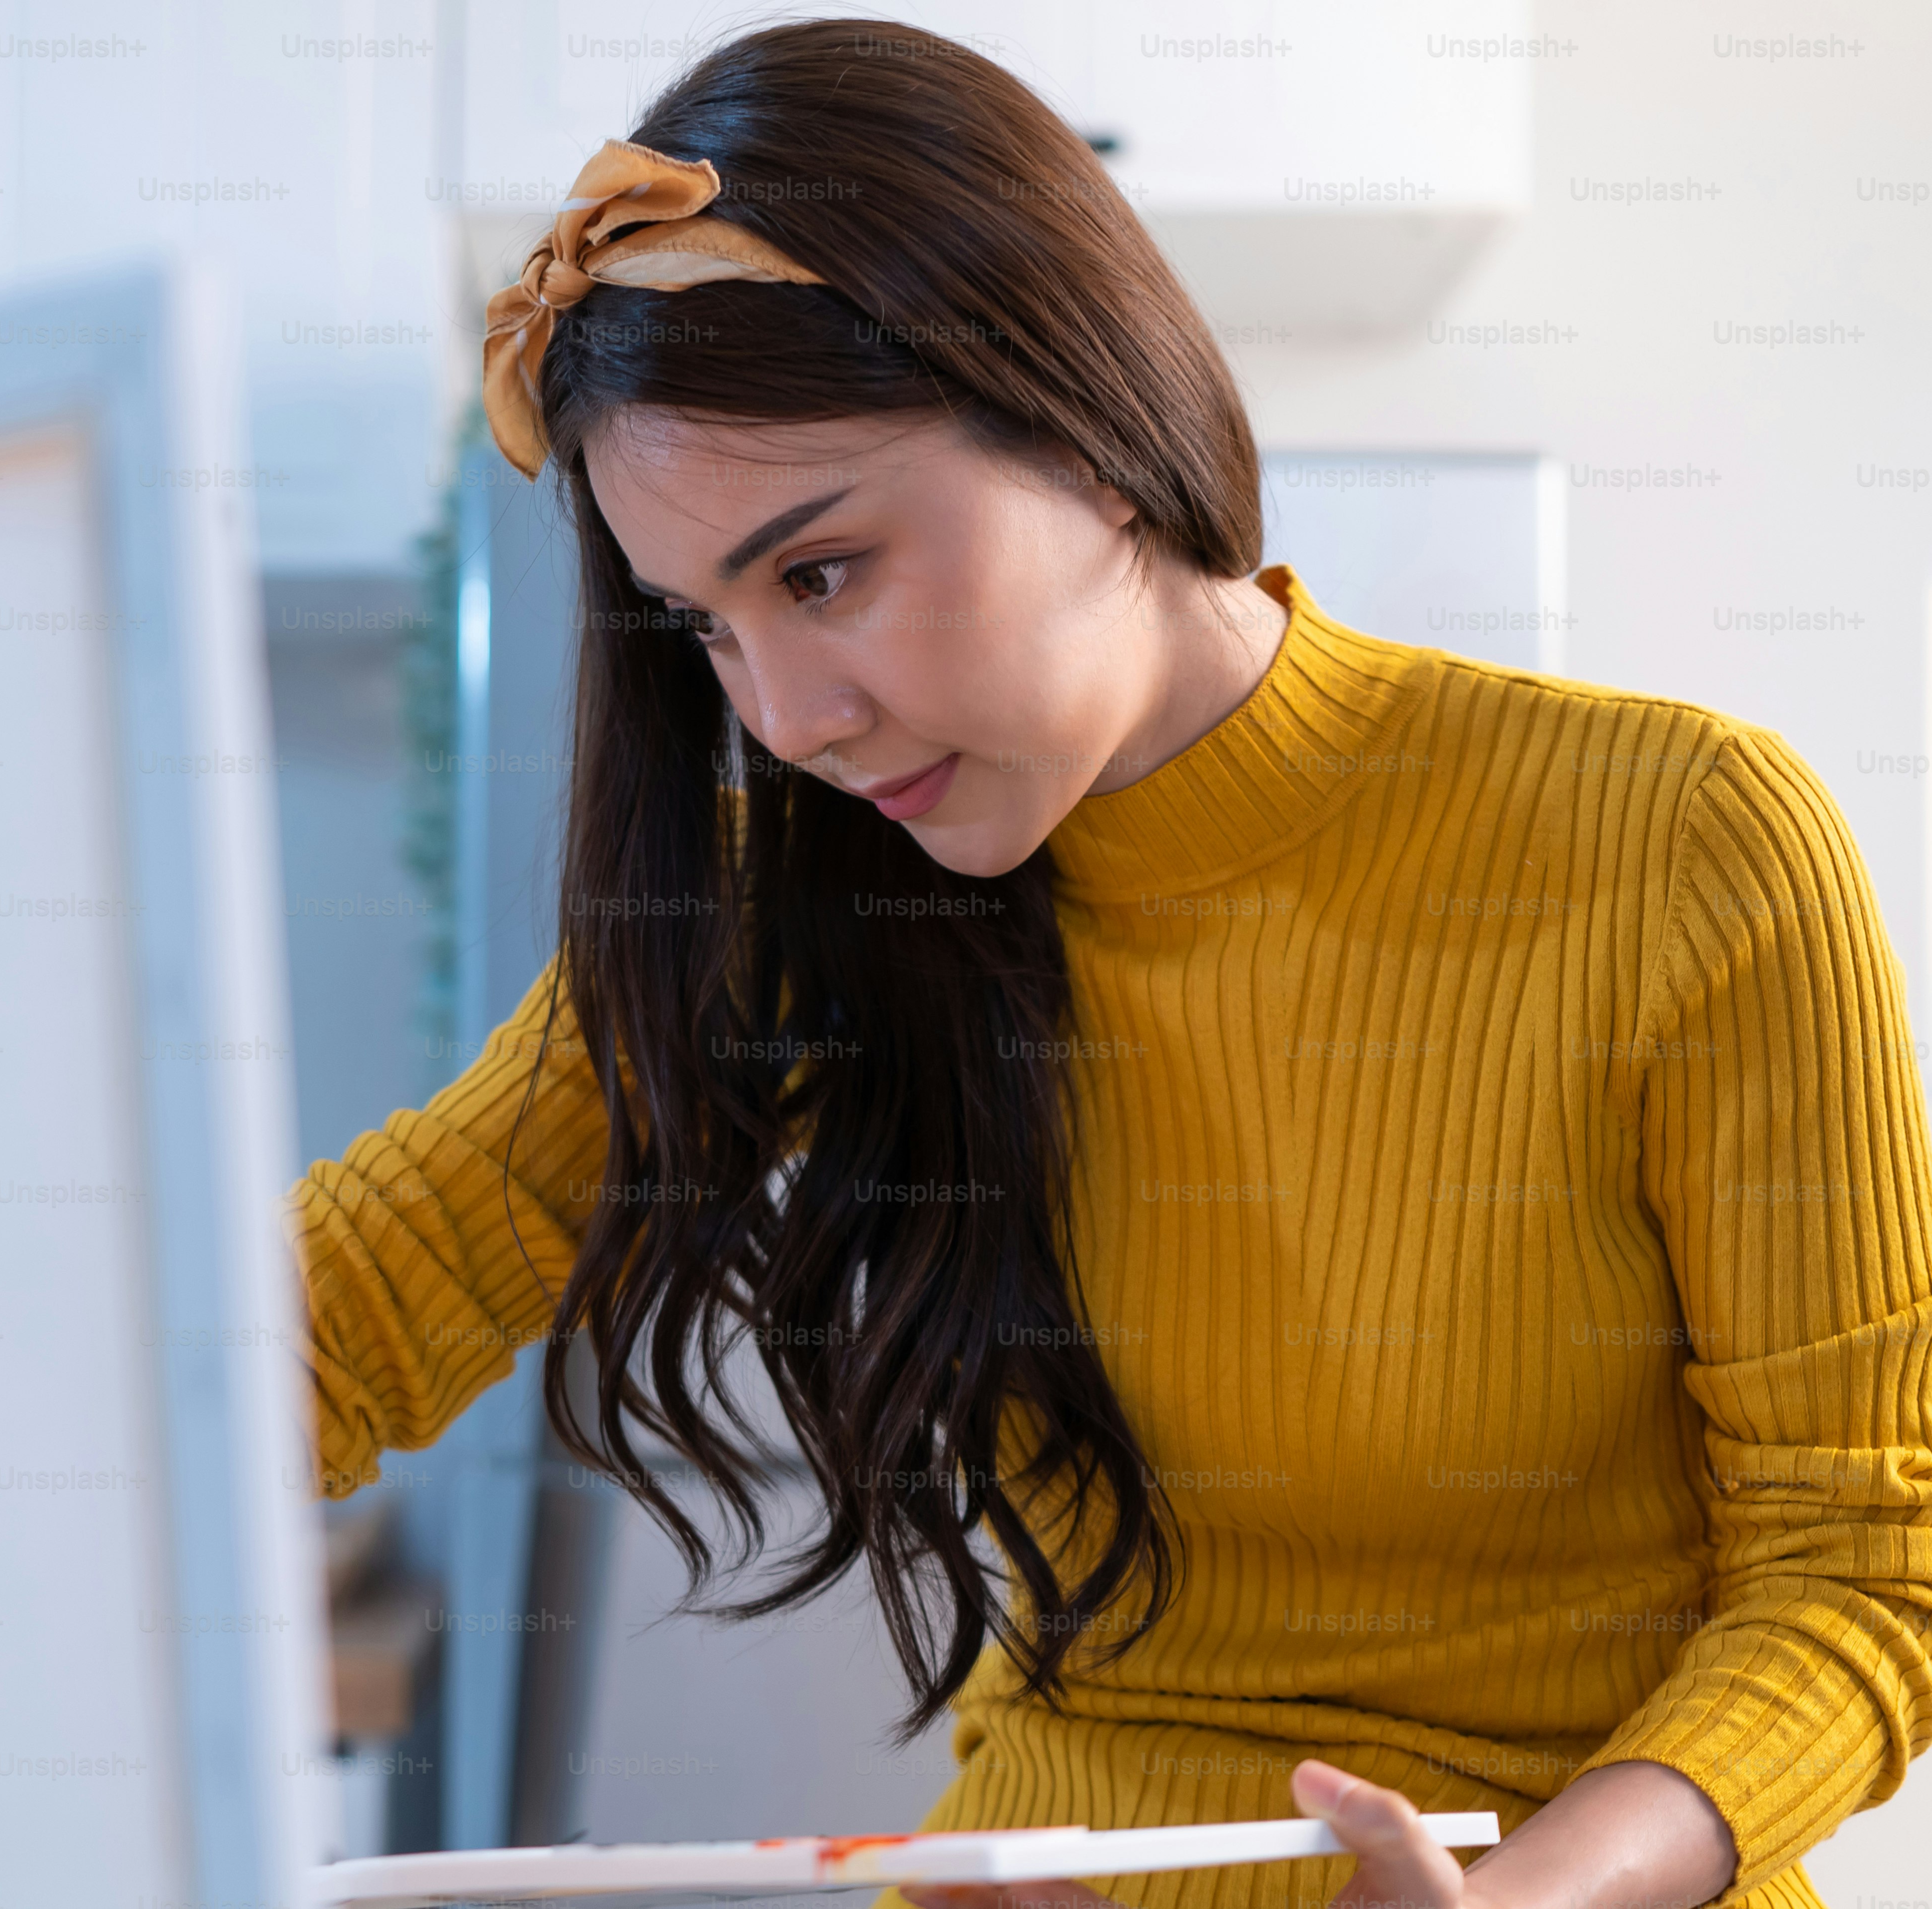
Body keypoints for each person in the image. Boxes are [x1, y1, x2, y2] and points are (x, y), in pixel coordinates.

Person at [288, 19, 1930, 1907]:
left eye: (820, 573)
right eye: (706, 631)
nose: (790, 714)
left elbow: (1868, 1568)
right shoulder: (801, 893)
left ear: (1093, 425)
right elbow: (355, 1313)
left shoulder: (1687, 843)